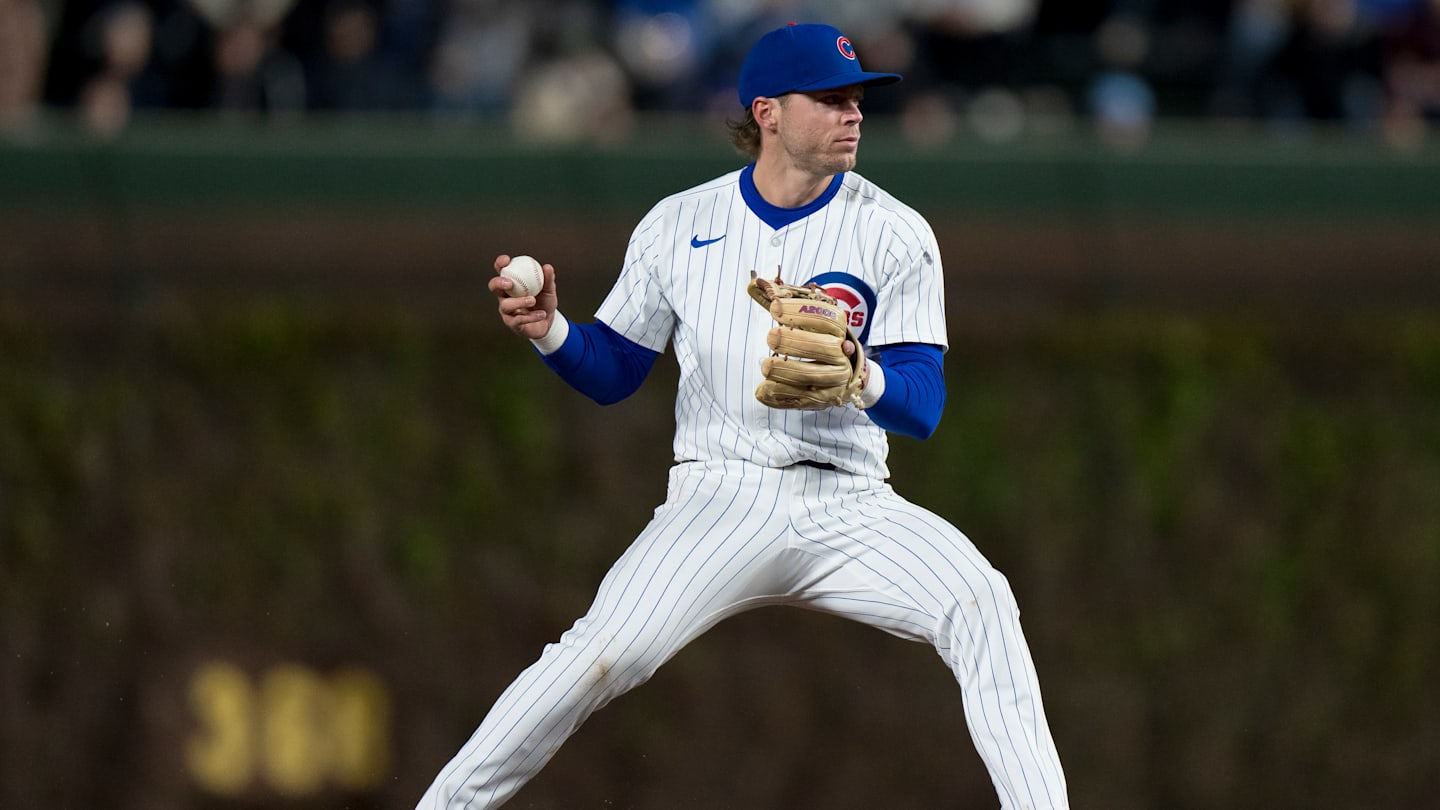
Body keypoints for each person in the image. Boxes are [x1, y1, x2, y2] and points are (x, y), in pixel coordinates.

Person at [418, 22, 1069, 810]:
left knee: (982, 602)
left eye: (857, 98)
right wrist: (552, 330)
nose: (853, 113)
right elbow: (617, 371)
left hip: (851, 504)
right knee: (601, 654)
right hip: (719, 496)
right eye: (829, 100)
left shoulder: (895, 231)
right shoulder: (677, 224)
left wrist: (863, 378)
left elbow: (923, 407)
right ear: (766, 111)